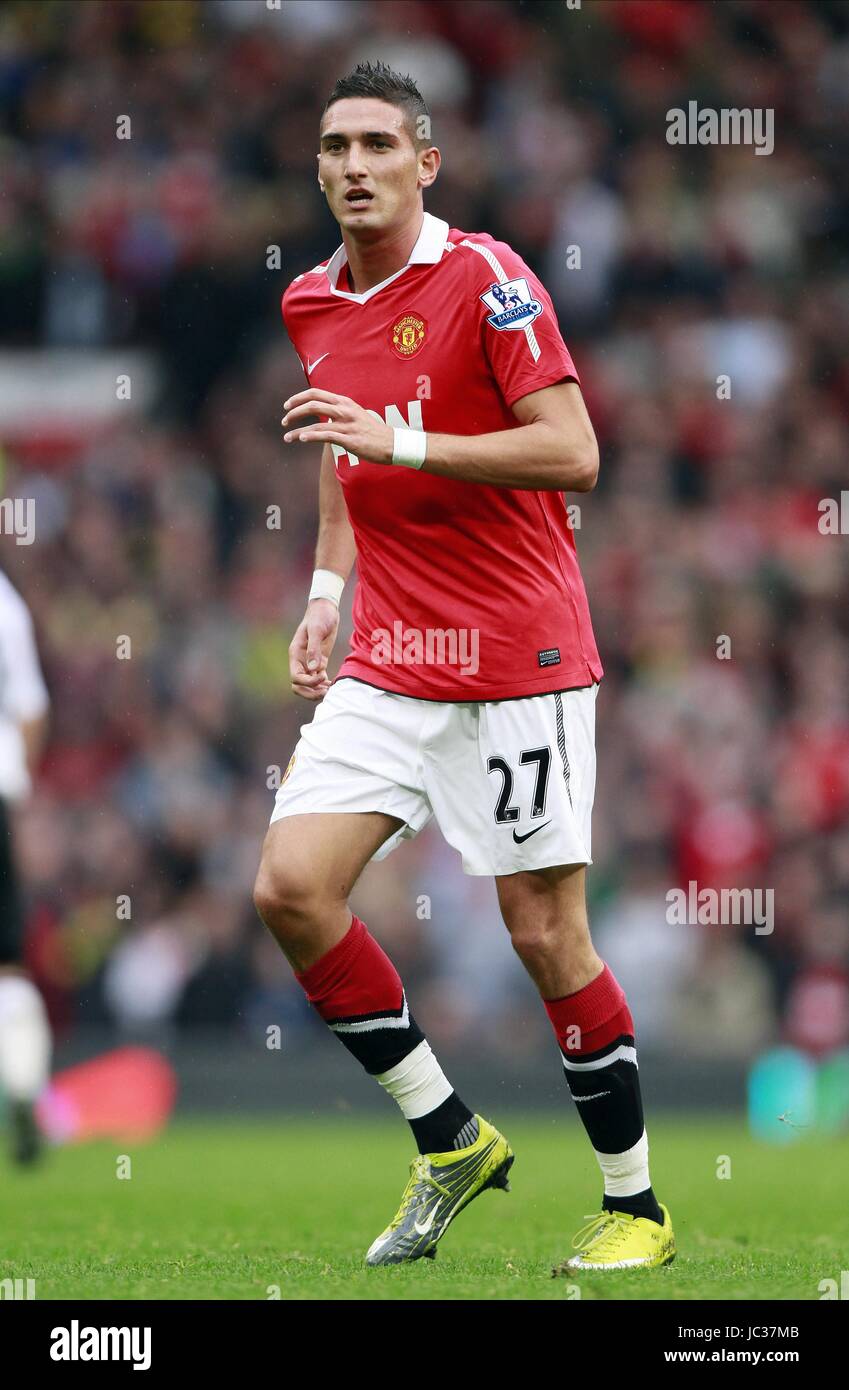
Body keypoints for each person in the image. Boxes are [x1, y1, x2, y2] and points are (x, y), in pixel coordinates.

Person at [254, 61, 675, 1271]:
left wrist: (410, 438)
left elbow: (574, 450)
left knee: (544, 932)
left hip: (519, 655)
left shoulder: (488, 278)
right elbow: (344, 455)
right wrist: (327, 597)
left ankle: (636, 1208)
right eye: (335, 145)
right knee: (289, 887)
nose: (353, 165)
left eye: (379, 144)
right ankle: (448, 1135)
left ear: (424, 163)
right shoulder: (311, 303)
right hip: (391, 653)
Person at [0, 566, 51, 1163]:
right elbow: (30, 708)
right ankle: (20, 1083)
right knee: (7, 963)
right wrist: (19, 791)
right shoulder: (6, 603)